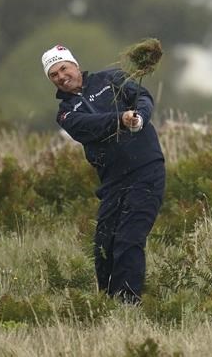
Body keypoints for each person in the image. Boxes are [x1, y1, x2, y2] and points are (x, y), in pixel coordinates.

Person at [41, 44, 165, 304]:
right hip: (113, 181)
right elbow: (88, 126)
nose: (61, 76)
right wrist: (120, 118)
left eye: (63, 68)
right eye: (54, 75)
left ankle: (128, 304)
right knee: (104, 245)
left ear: (75, 65)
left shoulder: (112, 78)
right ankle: (108, 303)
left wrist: (139, 117)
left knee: (130, 237)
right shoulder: (65, 113)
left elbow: (142, 96)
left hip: (146, 169)